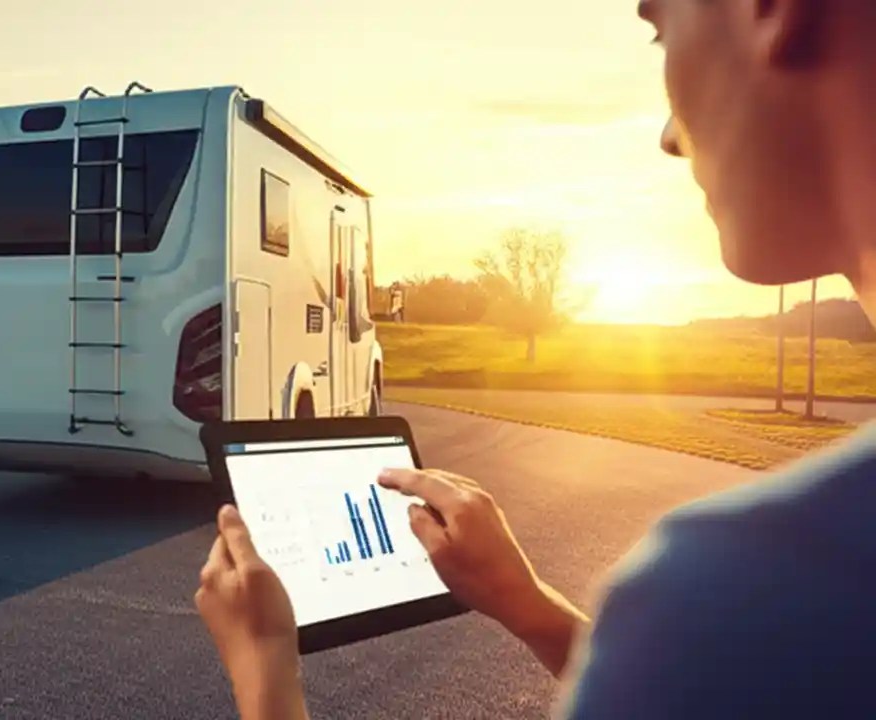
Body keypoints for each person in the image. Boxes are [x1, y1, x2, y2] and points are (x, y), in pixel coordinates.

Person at [194, 0, 876, 717]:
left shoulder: (736, 601)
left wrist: (265, 674)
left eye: (659, 28)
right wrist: (530, 606)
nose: (670, 136)